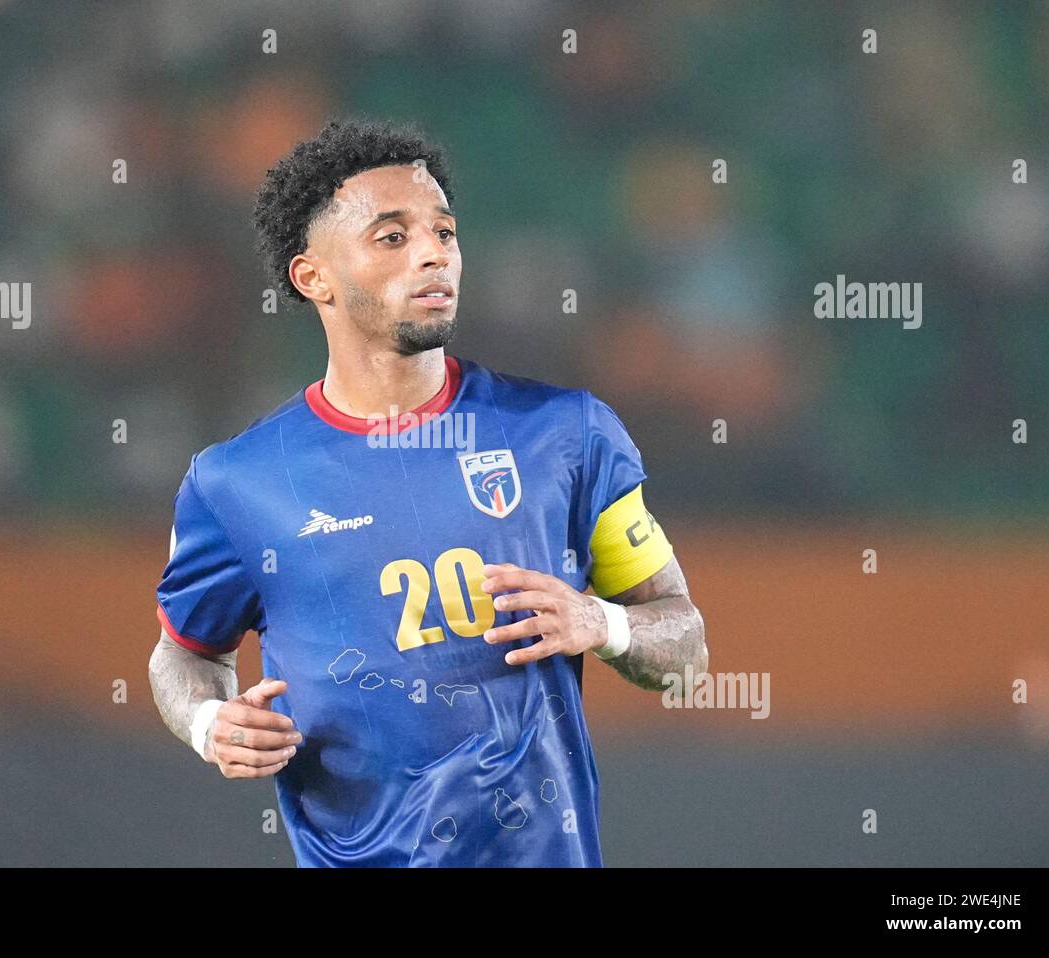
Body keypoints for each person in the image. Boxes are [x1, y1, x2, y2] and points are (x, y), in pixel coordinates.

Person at [148, 117, 707, 867]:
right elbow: (181, 656)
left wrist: (601, 623)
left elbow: (686, 646)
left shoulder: (563, 436)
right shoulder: (237, 483)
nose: (433, 254)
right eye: (391, 237)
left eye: (444, 232)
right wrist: (209, 721)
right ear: (313, 277)